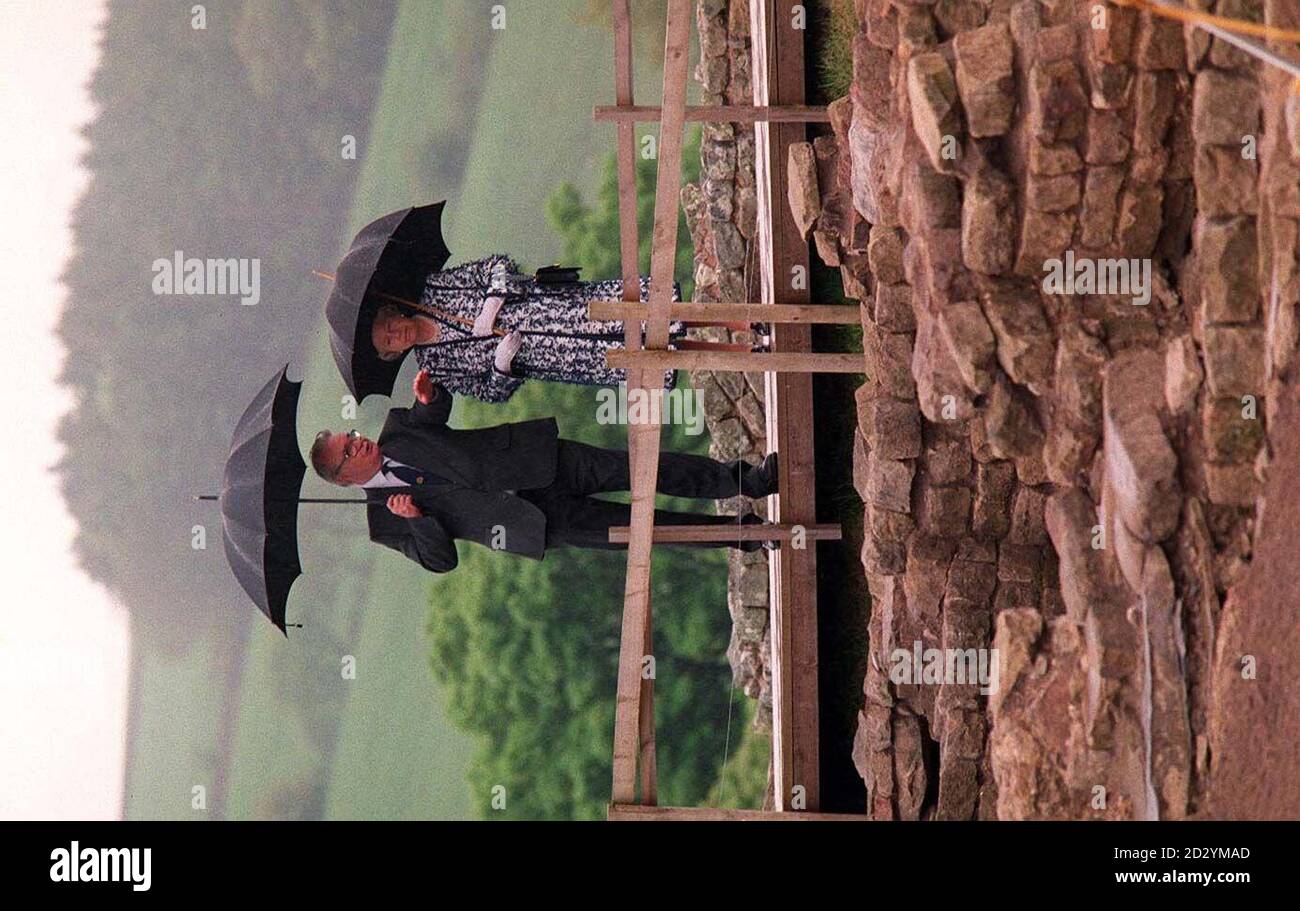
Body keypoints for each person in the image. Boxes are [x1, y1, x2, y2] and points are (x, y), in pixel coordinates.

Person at [309, 369, 780, 573]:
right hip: (534, 524)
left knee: (646, 469)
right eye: (347, 451)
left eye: (350, 436)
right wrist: (418, 521)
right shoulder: (384, 525)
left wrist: (432, 397)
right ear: (345, 478)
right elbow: (440, 562)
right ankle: (747, 533)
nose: (357, 441)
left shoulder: (396, 429)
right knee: (644, 530)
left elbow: (431, 412)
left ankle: (749, 481)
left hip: (541, 461)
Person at [368, 253, 764, 403]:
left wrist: (493, 302)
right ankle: (745, 354)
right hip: (559, 358)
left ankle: (743, 321)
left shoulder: (435, 288)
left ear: (394, 314)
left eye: (389, 326)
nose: (395, 335)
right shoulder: (433, 369)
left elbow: (497, 265)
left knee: (655, 317)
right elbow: (491, 393)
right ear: (393, 353)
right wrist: (502, 365)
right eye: (388, 342)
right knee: (654, 354)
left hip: (562, 309)